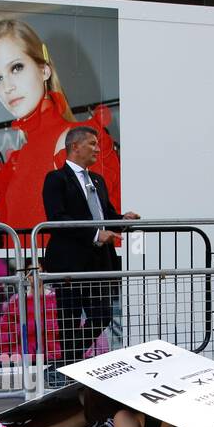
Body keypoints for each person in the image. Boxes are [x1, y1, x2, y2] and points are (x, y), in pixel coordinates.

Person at [0, 18, 120, 232]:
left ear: (44, 70)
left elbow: (105, 235)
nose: (7, 87)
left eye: (16, 67)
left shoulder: (75, 140)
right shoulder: (18, 159)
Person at [42, 125, 139, 367]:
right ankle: (70, 364)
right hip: (69, 261)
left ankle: (70, 359)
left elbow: (106, 215)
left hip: (98, 262)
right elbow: (57, 219)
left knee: (102, 314)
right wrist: (96, 233)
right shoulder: (56, 179)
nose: (97, 149)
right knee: (69, 316)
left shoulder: (98, 179)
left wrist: (122, 221)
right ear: (75, 147)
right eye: (92, 144)